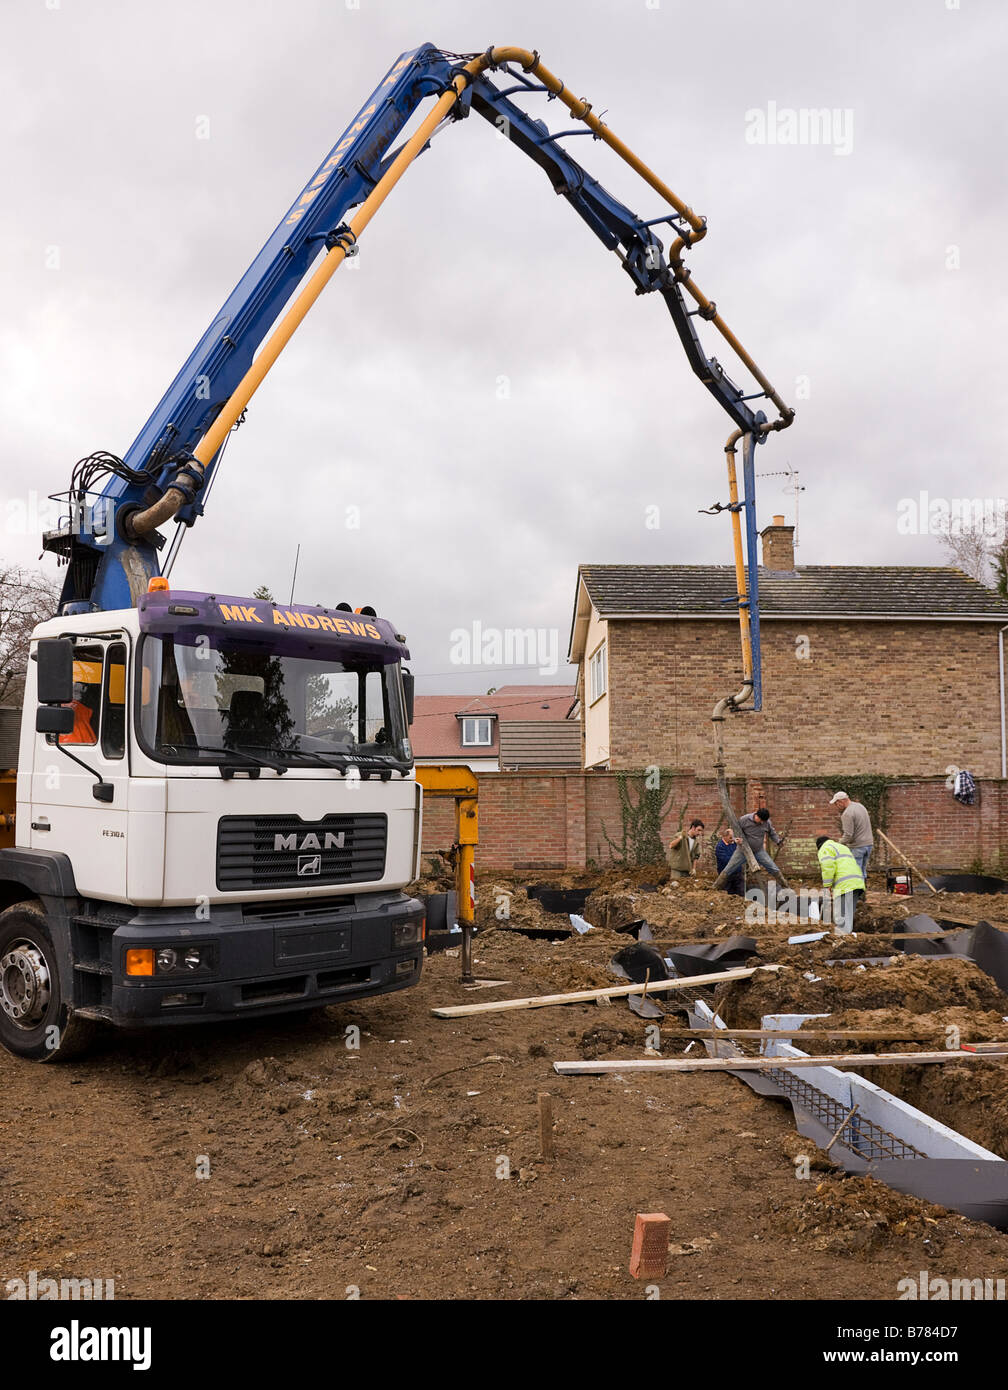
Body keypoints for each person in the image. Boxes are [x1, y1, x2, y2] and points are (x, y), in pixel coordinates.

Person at [719, 807, 790, 887]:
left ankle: (786, 886)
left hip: (759, 851)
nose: (762, 823)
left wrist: (777, 841)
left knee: (773, 867)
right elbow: (735, 831)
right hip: (742, 851)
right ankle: (715, 887)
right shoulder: (744, 819)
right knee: (729, 868)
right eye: (761, 820)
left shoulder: (766, 823)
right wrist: (736, 839)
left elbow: (772, 833)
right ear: (756, 815)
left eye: (764, 821)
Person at [816, 833, 865, 933]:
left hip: (844, 885)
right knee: (848, 914)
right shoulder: (841, 847)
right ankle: (847, 937)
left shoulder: (825, 848)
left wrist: (827, 886)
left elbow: (828, 866)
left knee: (840, 915)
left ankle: (842, 938)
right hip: (857, 883)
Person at [829, 790, 874, 884]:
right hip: (868, 844)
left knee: (855, 873)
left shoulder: (847, 814)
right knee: (862, 870)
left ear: (841, 801)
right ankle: (863, 894)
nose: (837, 806)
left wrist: (838, 844)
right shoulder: (860, 806)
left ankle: (858, 895)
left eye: (836, 804)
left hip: (857, 847)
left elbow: (848, 835)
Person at [714, 826, 745, 896]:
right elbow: (726, 860)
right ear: (725, 836)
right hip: (726, 875)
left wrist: (740, 844)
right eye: (730, 838)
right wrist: (737, 859)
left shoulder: (734, 843)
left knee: (741, 893)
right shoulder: (720, 846)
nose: (732, 839)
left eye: (733, 837)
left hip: (737, 873)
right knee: (729, 894)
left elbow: (741, 853)